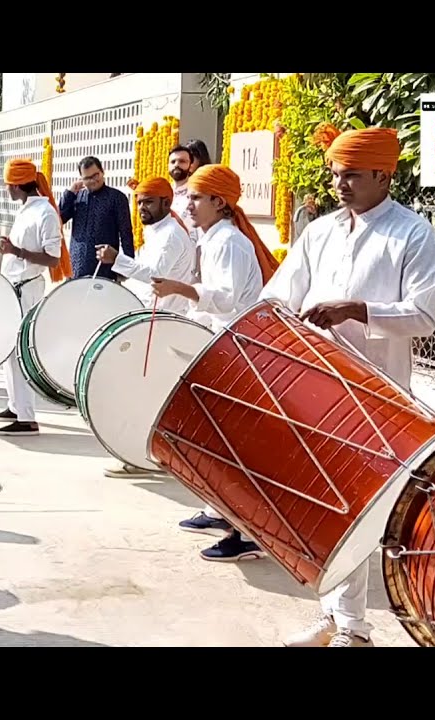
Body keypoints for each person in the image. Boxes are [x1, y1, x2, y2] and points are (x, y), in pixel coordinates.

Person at [268, 125, 435, 648]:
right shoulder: (318, 231)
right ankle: (336, 619)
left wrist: (356, 309)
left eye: (352, 175)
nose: (340, 183)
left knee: (362, 505)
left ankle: (355, 627)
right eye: (336, 174)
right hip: (315, 384)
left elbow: (422, 316)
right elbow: (280, 294)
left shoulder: (413, 233)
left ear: (383, 175)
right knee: (322, 500)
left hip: (377, 391)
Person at [150, 164, 278, 560]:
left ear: (219, 202)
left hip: (239, 352)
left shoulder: (229, 242)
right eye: (187, 196)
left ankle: (243, 532)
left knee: (231, 446)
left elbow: (224, 300)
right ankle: (219, 512)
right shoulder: (214, 238)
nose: (186, 204)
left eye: (195, 197)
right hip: (223, 347)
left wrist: (179, 289)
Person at [0, 159, 65, 437]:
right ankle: (15, 405)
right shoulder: (26, 210)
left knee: (19, 351)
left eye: (8, 184)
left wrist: (16, 251)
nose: (7, 189)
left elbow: (53, 259)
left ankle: (27, 418)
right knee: (9, 349)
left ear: (18, 184)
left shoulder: (45, 212)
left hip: (27, 287)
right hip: (15, 285)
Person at [96, 176, 195, 314]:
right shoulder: (155, 229)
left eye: (148, 202)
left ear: (166, 203)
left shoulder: (171, 234)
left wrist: (116, 259)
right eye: (139, 203)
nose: (142, 208)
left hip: (162, 317)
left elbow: (155, 275)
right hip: (145, 311)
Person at [60, 156, 133, 281]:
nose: (93, 180)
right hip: (76, 269)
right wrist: (69, 193)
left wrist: (126, 268)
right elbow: (59, 219)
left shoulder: (117, 198)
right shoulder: (76, 197)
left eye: (96, 175)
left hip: (104, 270)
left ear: (102, 172)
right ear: (81, 179)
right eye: (87, 178)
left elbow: (126, 234)